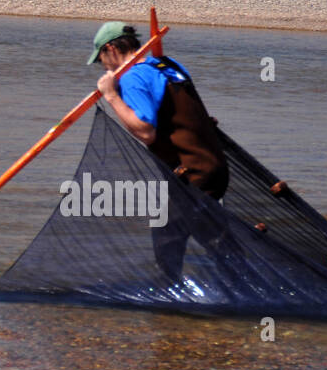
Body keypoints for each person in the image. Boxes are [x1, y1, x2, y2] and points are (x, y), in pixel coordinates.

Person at [89, 22, 229, 283]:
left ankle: (169, 297)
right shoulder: (167, 64)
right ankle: (240, 286)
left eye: (101, 59)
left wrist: (111, 96)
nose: (104, 66)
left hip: (192, 173)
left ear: (110, 49)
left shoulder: (132, 77)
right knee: (211, 235)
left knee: (167, 234)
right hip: (215, 167)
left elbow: (145, 131)